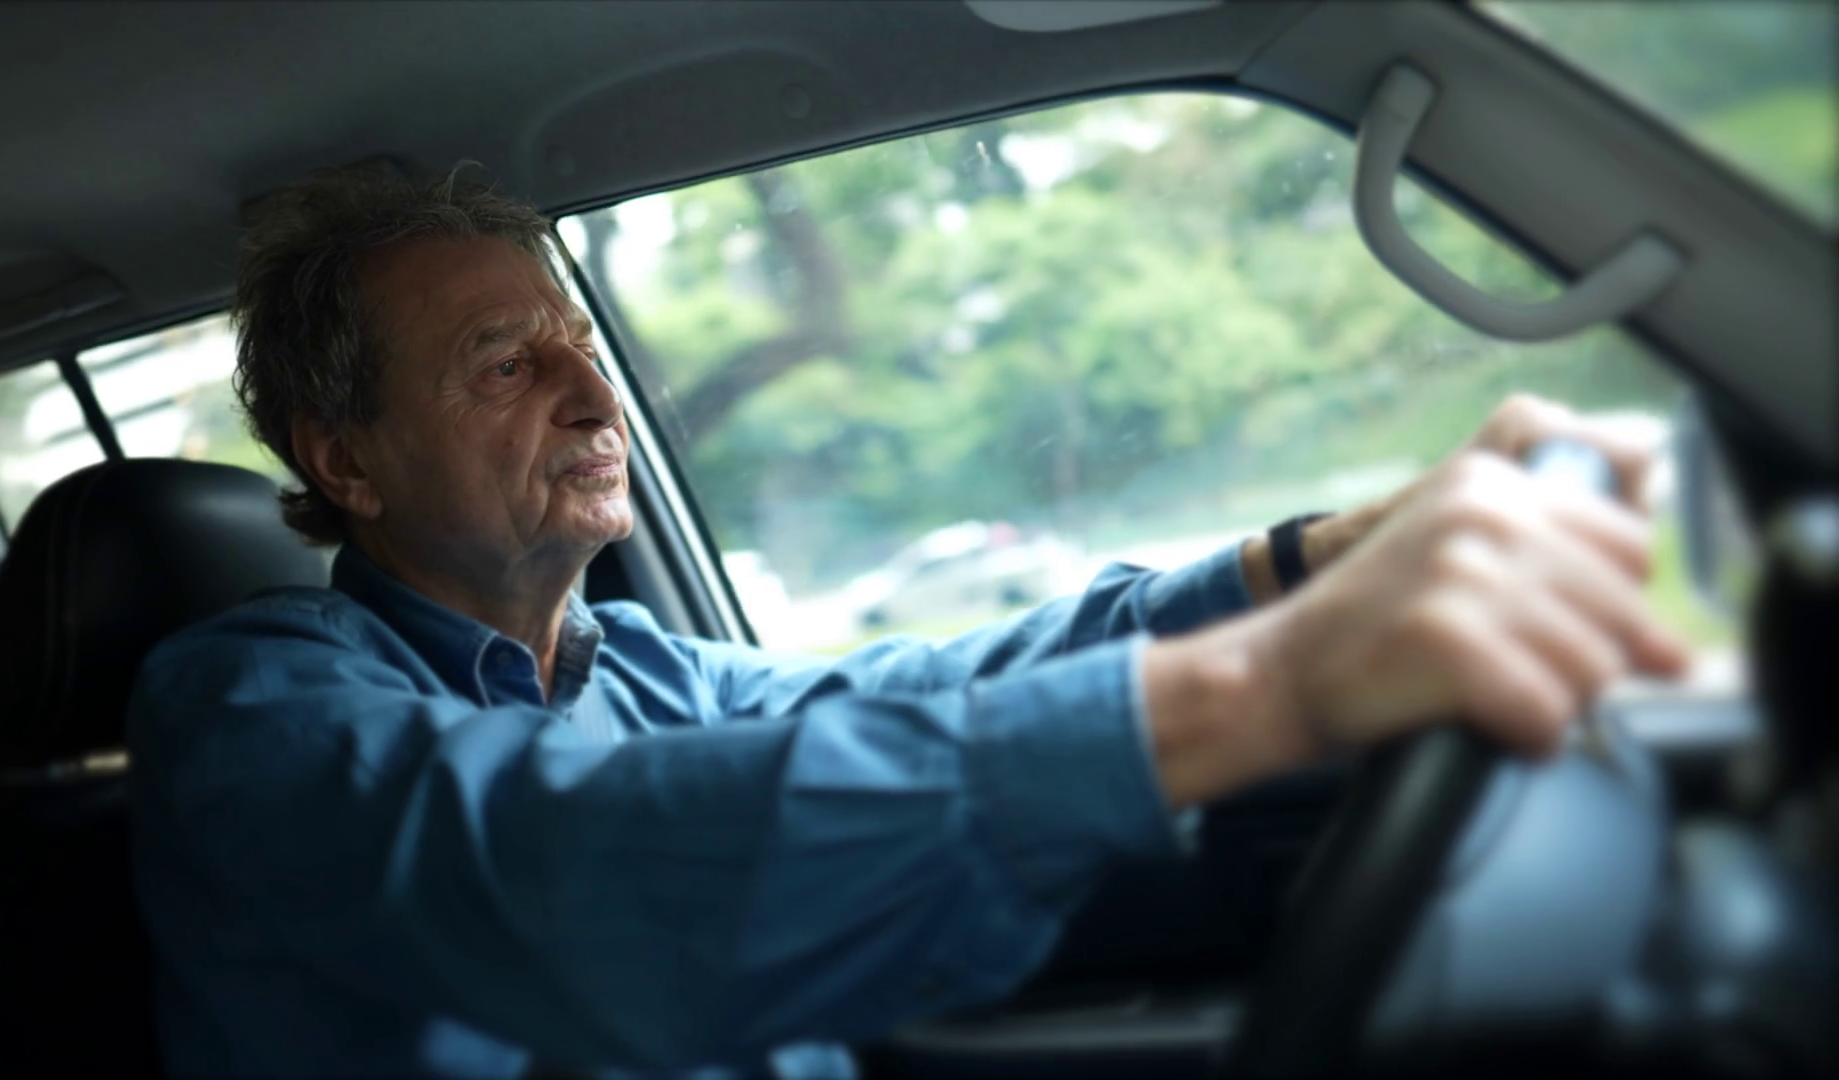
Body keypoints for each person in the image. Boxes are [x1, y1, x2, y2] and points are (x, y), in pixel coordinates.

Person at [126, 168, 1690, 1079]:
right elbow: (575, 862)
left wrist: (1314, 560)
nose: (596, 397)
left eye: (579, 343)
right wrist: (1270, 690)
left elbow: (941, 684)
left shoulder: (644, 672)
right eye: (503, 364)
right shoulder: (248, 716)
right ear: (343, 459)